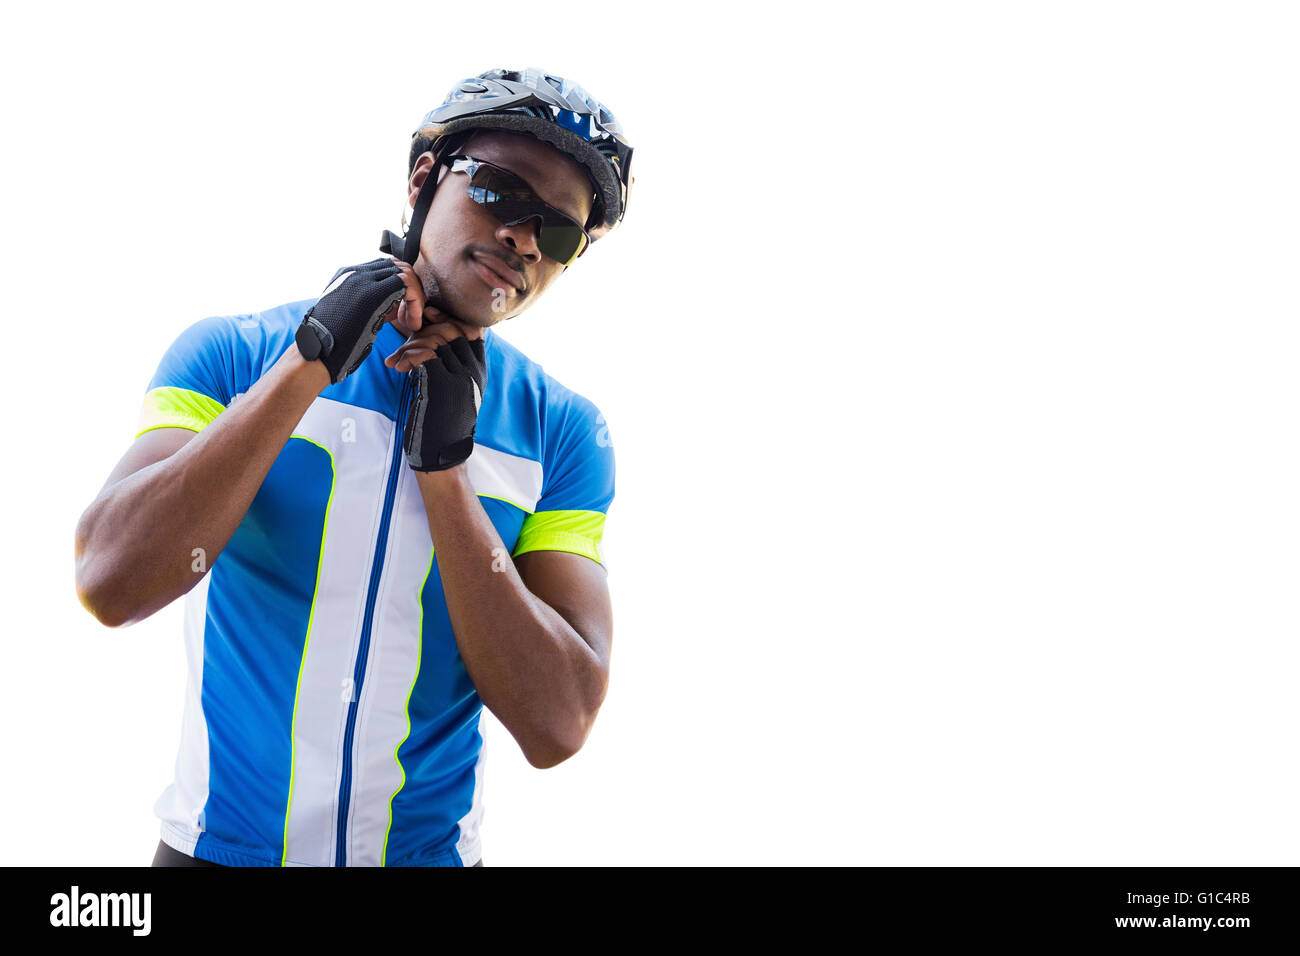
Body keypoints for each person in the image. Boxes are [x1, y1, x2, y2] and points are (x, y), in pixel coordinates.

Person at [73, 68, 634, 867]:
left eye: (559, 231)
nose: (522, 238)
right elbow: (112, 582)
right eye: (502, 193)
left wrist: (446, 471)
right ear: (423, 180)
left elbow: (558, 725)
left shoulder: (564, 433)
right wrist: (307, 363)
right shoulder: (232, 356)